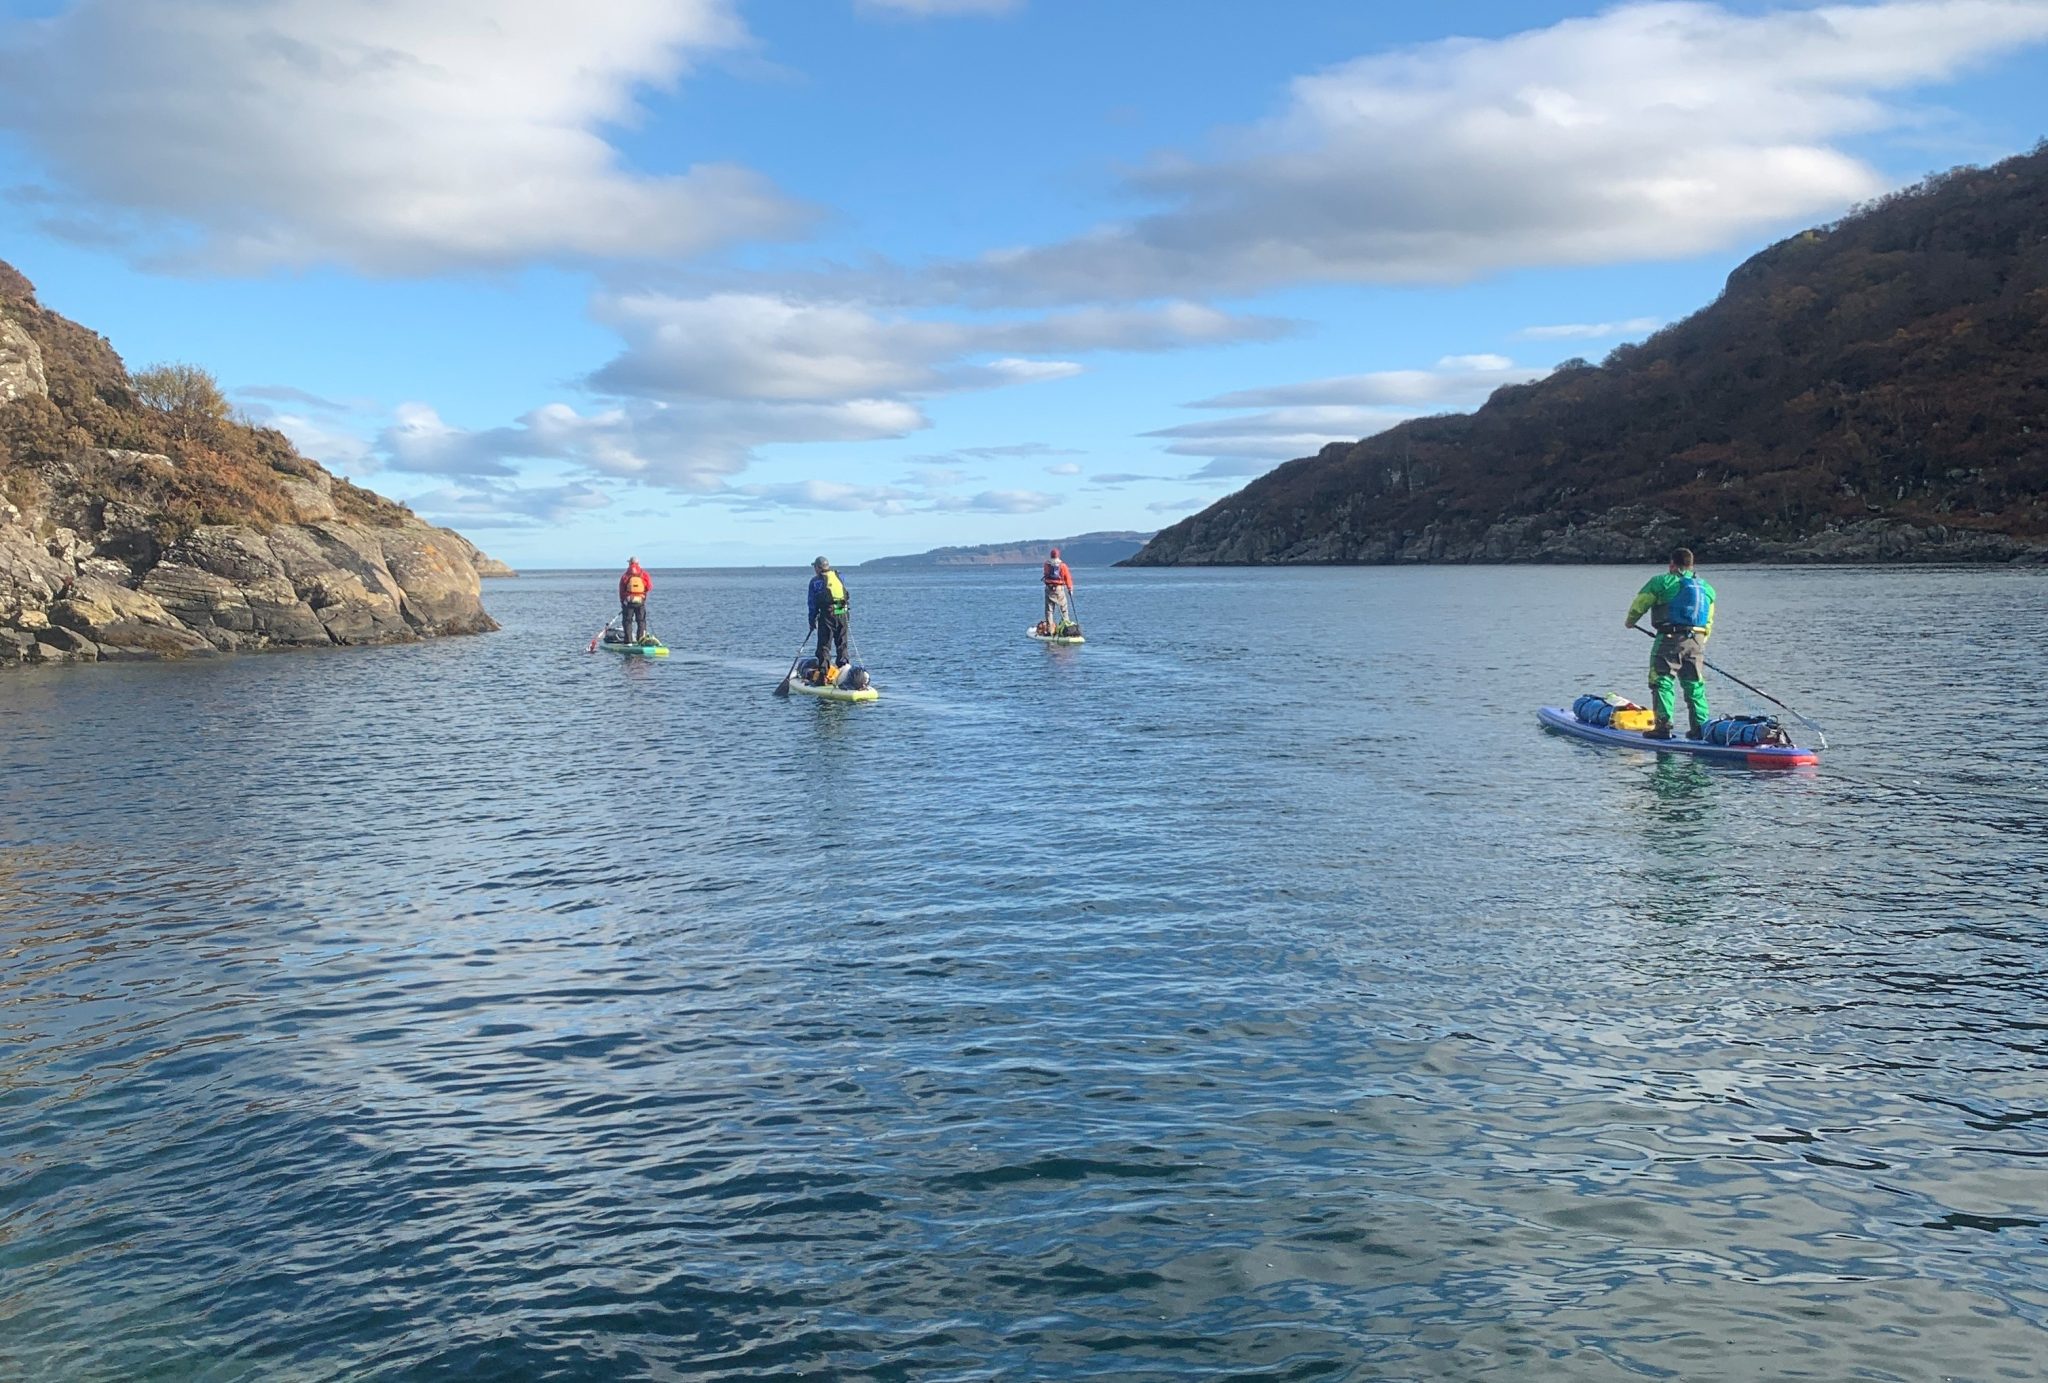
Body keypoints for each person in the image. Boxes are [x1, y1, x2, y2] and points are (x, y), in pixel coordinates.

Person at [1626, 547, 1717, 740]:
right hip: (1697, 640)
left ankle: (1663, 727)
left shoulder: (1662, 581)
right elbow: (1708, 620)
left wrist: (1630, 621)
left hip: (1669, 639)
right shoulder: (1706, 587)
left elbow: (1640, 604)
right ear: (1692, 566)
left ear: (1672, 565)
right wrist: (1699, 641)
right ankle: (1700, 729)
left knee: (1661, 681)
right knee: (1694, 684)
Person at [807, 556, 849, 681]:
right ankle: (844, 670)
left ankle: (824, 675)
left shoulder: (815, 582)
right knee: (842, 643)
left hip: (827, 614)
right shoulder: (839, 577)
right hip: (842, 612)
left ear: (818, 568)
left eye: (815, 567)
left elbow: (812, 603)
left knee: (824, 646)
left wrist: (811, 620)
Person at [617, 557, 653, 642]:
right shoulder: (644, 574)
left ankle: (628, 641)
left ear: (630, 563)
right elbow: (649, 587)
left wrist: (623, 602)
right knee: (641, 621)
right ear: (638, 563)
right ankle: (640, 640)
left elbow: (621, 590)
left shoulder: (626, 575)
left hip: (629, 601)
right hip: (640, 601)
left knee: (627, 621)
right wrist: (642, 595)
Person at [1041, 546, 1074, 632]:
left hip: (1049, 589)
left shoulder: (1046, 565)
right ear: (1058, 556)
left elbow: (1045, 574)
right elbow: (1068, 578)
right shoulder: (1063, 566)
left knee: (1049, 611)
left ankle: (1050, 630)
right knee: (1064, 609)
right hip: (1059, 590)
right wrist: (1070, 589)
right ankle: (1066, 628)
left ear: (1051, 555)